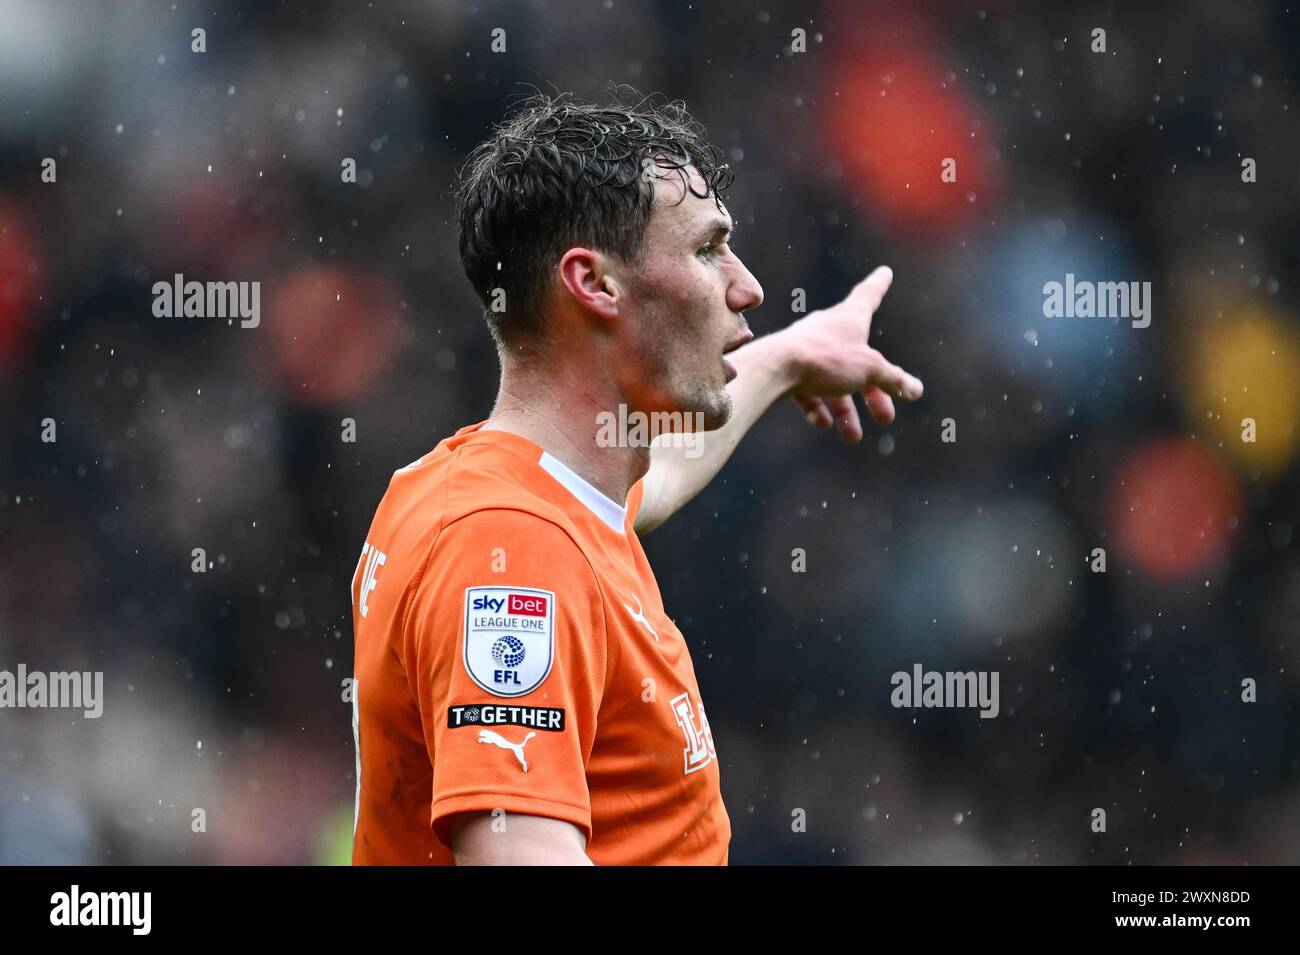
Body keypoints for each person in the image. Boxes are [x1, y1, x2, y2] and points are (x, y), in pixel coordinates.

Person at [350, 89, 923, 865]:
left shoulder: (487, 493)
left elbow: (646, 488)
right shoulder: (509, 549)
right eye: (707, 248)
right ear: (595, 284)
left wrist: (787, 358)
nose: (746, 285)